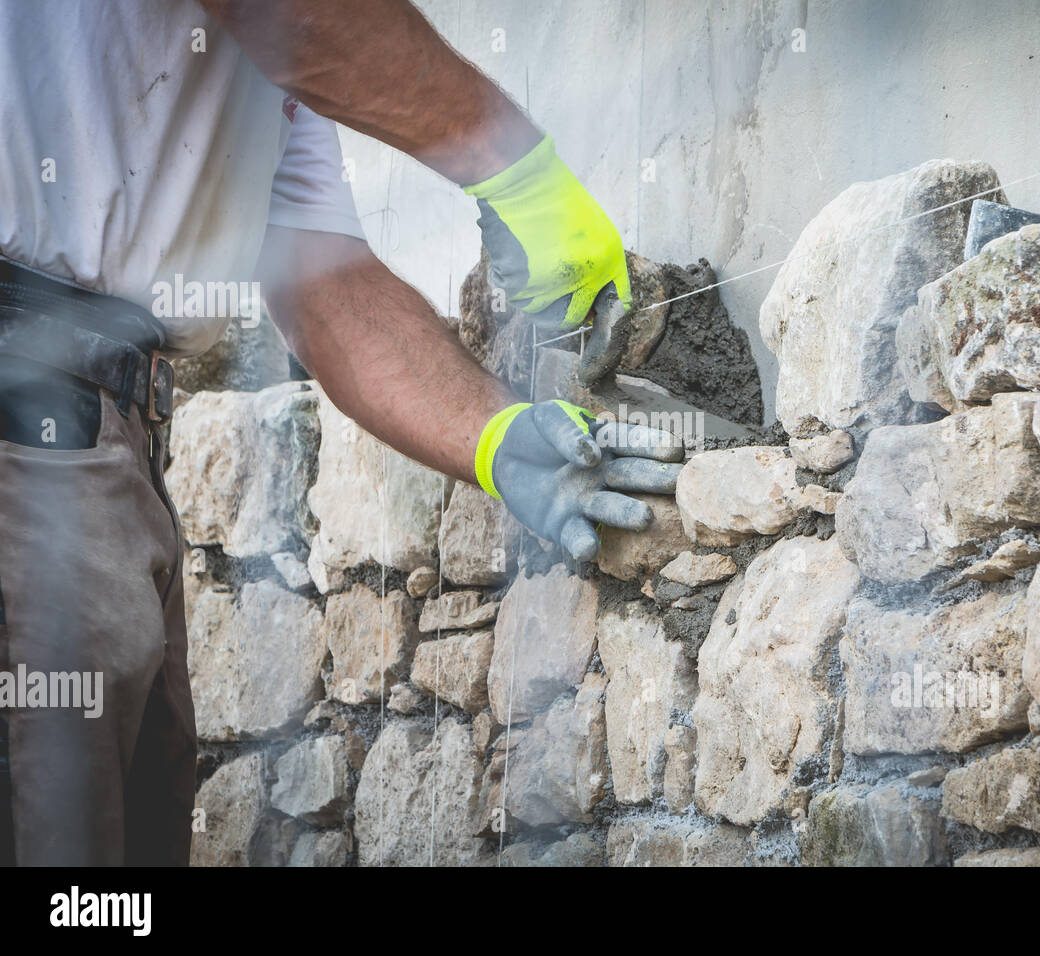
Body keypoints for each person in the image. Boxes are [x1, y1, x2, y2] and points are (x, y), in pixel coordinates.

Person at [0, 0, 680, 866]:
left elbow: (325, 283)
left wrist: (498, 437)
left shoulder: (262, 93)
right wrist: (516, 168)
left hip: (106, 448)